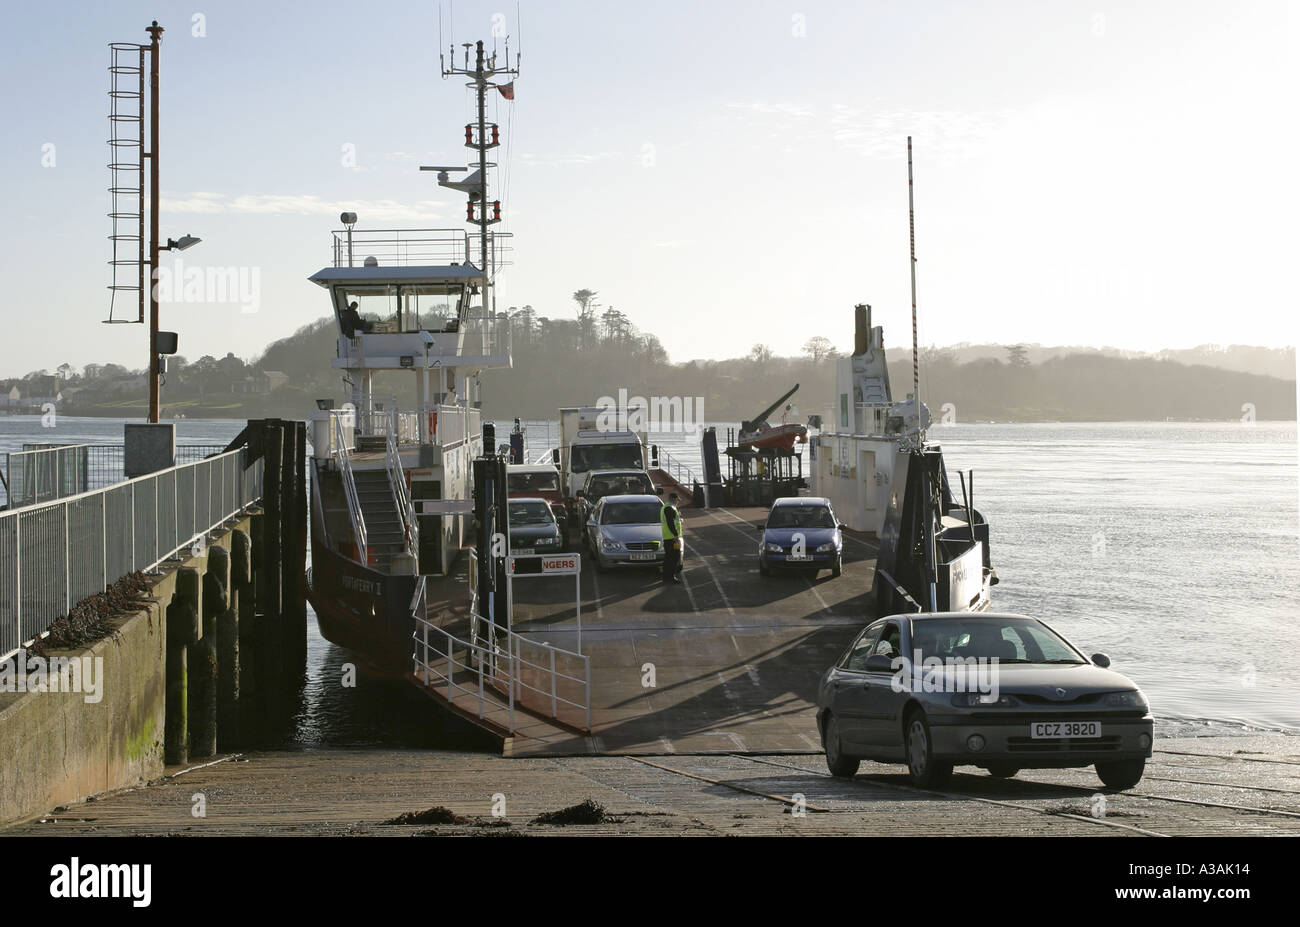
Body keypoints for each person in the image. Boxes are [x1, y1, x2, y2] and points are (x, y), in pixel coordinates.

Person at [661, 492, 683, 584]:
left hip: (668, 537)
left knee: (669, 557)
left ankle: (667, 577)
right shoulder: (669, 508)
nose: (677, 502)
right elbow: (670, 523)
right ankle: (670, 577)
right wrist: (675, 535)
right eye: (677, 500)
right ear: (673, 499)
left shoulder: (667, 507)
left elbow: (673, 521)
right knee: (674, 557)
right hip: (671, 538)